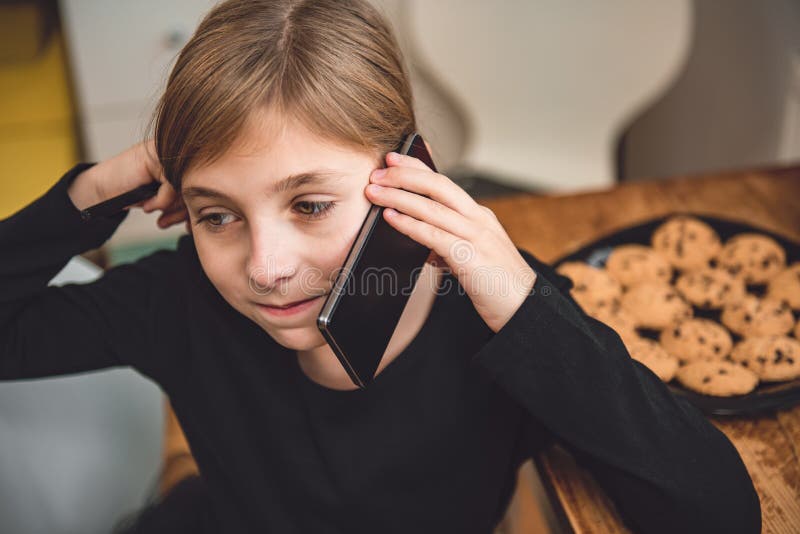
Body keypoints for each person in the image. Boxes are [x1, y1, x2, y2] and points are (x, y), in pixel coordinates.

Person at [1, 0, 761, 533]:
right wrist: (90, 194)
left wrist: (530, 312)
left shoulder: (501, 317)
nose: (265, 268)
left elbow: (716, 510)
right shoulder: (179, 298)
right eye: (217, 214)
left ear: (405, 171)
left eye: (308, 206)